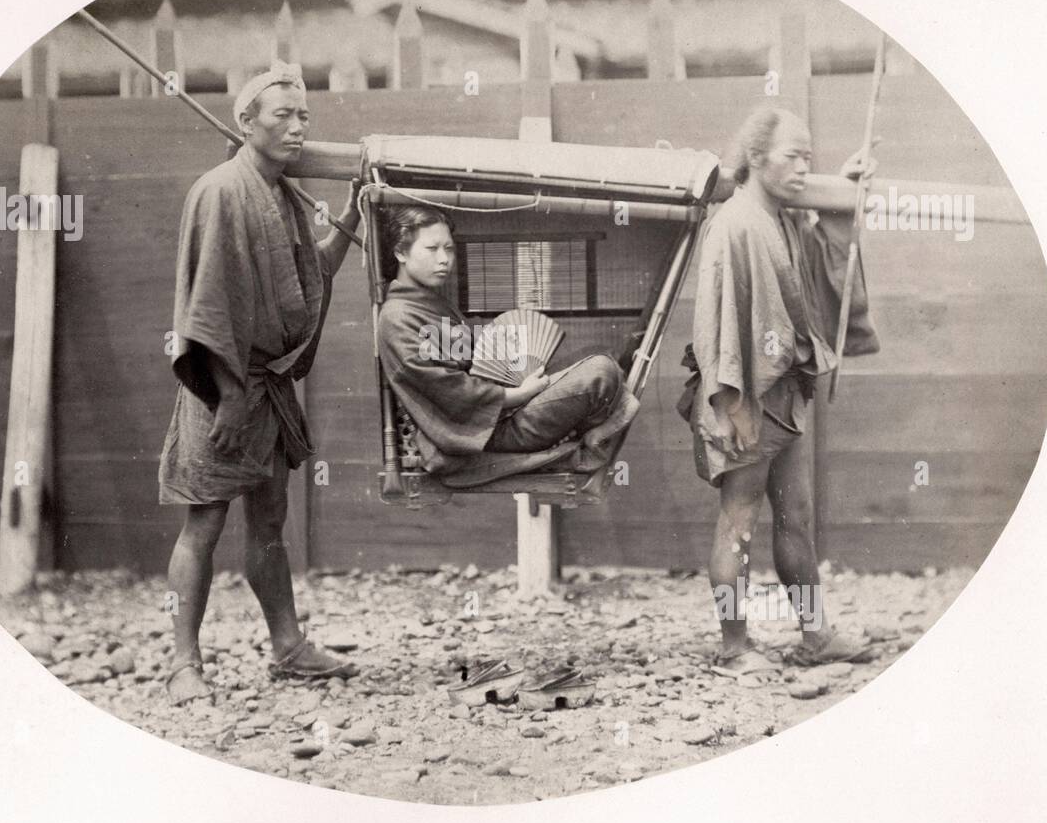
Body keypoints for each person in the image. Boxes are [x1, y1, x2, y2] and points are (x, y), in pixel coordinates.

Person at [158, 61, 360, 704]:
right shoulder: (219, 191)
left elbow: (313, 275)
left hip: (269, 388)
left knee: (269, 525)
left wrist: (354, 211)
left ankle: (289, 647)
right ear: (246, 122)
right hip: (221, 389)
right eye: (284, 115)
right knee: (204, 526)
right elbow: (205, 303)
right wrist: (225, 395)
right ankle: (182, 664)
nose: (298, 127)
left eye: (304, 117)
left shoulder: (282, 192)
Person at [681, 106, 880, 671]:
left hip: (785, 396)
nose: (802, 167)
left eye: (808, 158)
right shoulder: (734, 223)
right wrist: (732, 402)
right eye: (792, 156)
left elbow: (816, 277)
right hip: (743, 394)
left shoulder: (785, 220)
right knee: (738, 518)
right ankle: (733, 647)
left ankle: (815, 635)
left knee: (796, 516)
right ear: (756, 157)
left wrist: (843, 190)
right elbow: (715, 324)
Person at [376, 205, 639, 486]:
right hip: (479, 436)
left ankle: (588, 431)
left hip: (497, 415)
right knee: (599, 373)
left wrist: (515, 367)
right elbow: (448, 389)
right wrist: (518, 394)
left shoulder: (430, 304)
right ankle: (590, 436)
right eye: (432, 249)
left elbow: (477, 360)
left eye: (449, 249)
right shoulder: (398, 317)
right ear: (401, 252)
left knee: (602, 360)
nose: (445, 260)